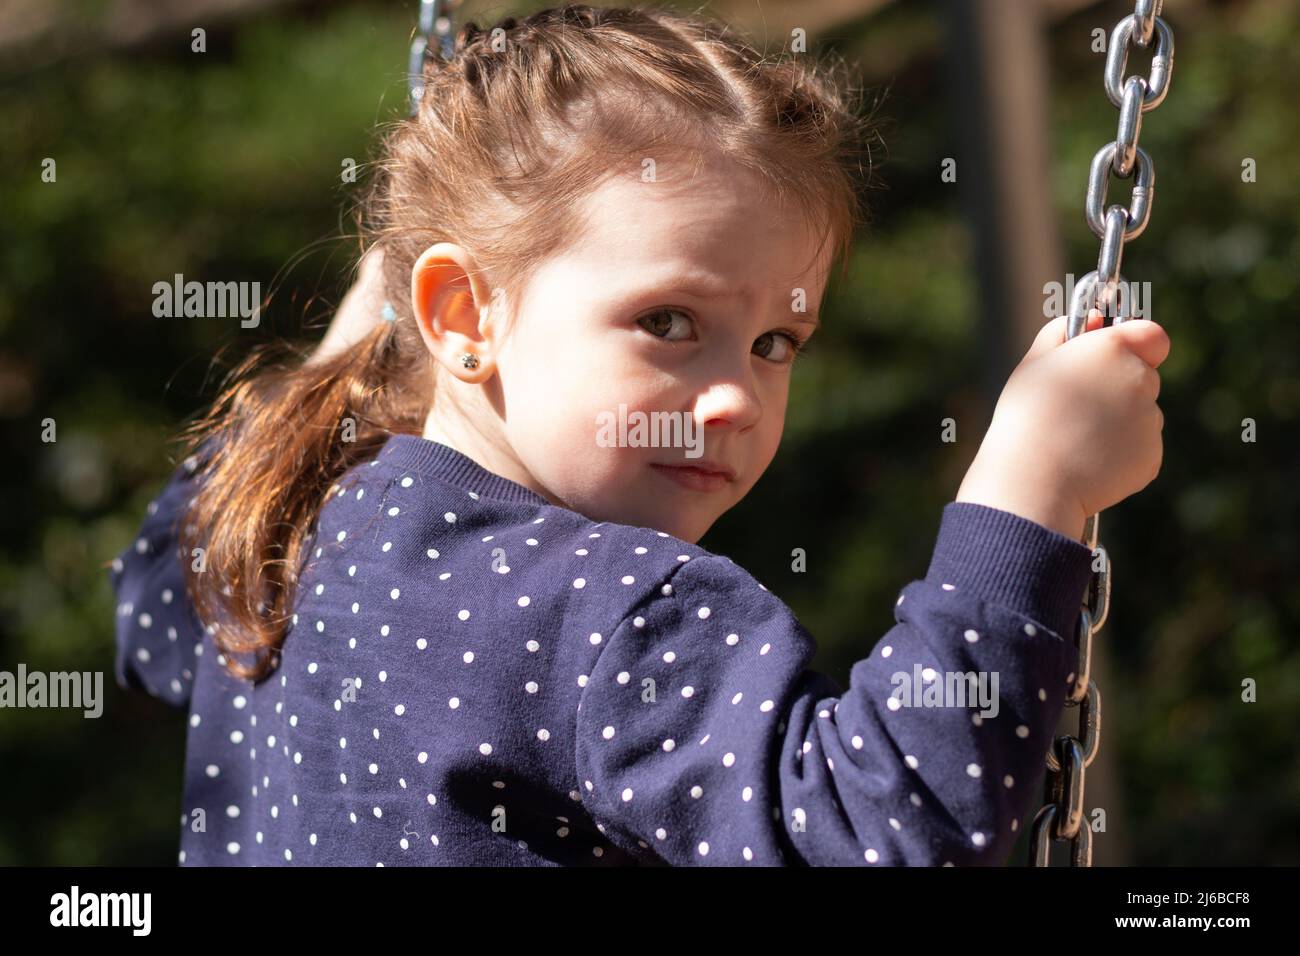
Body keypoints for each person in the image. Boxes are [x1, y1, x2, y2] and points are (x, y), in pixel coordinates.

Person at [108, 4, 1168, 866]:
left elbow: (153, 607)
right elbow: (884, 828)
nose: (735, 399)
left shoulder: (290, 517)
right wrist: (1029, 484)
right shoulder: (609, 608)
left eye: (774, 341)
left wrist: (364, 331)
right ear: (463, 317)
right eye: (667, 322)